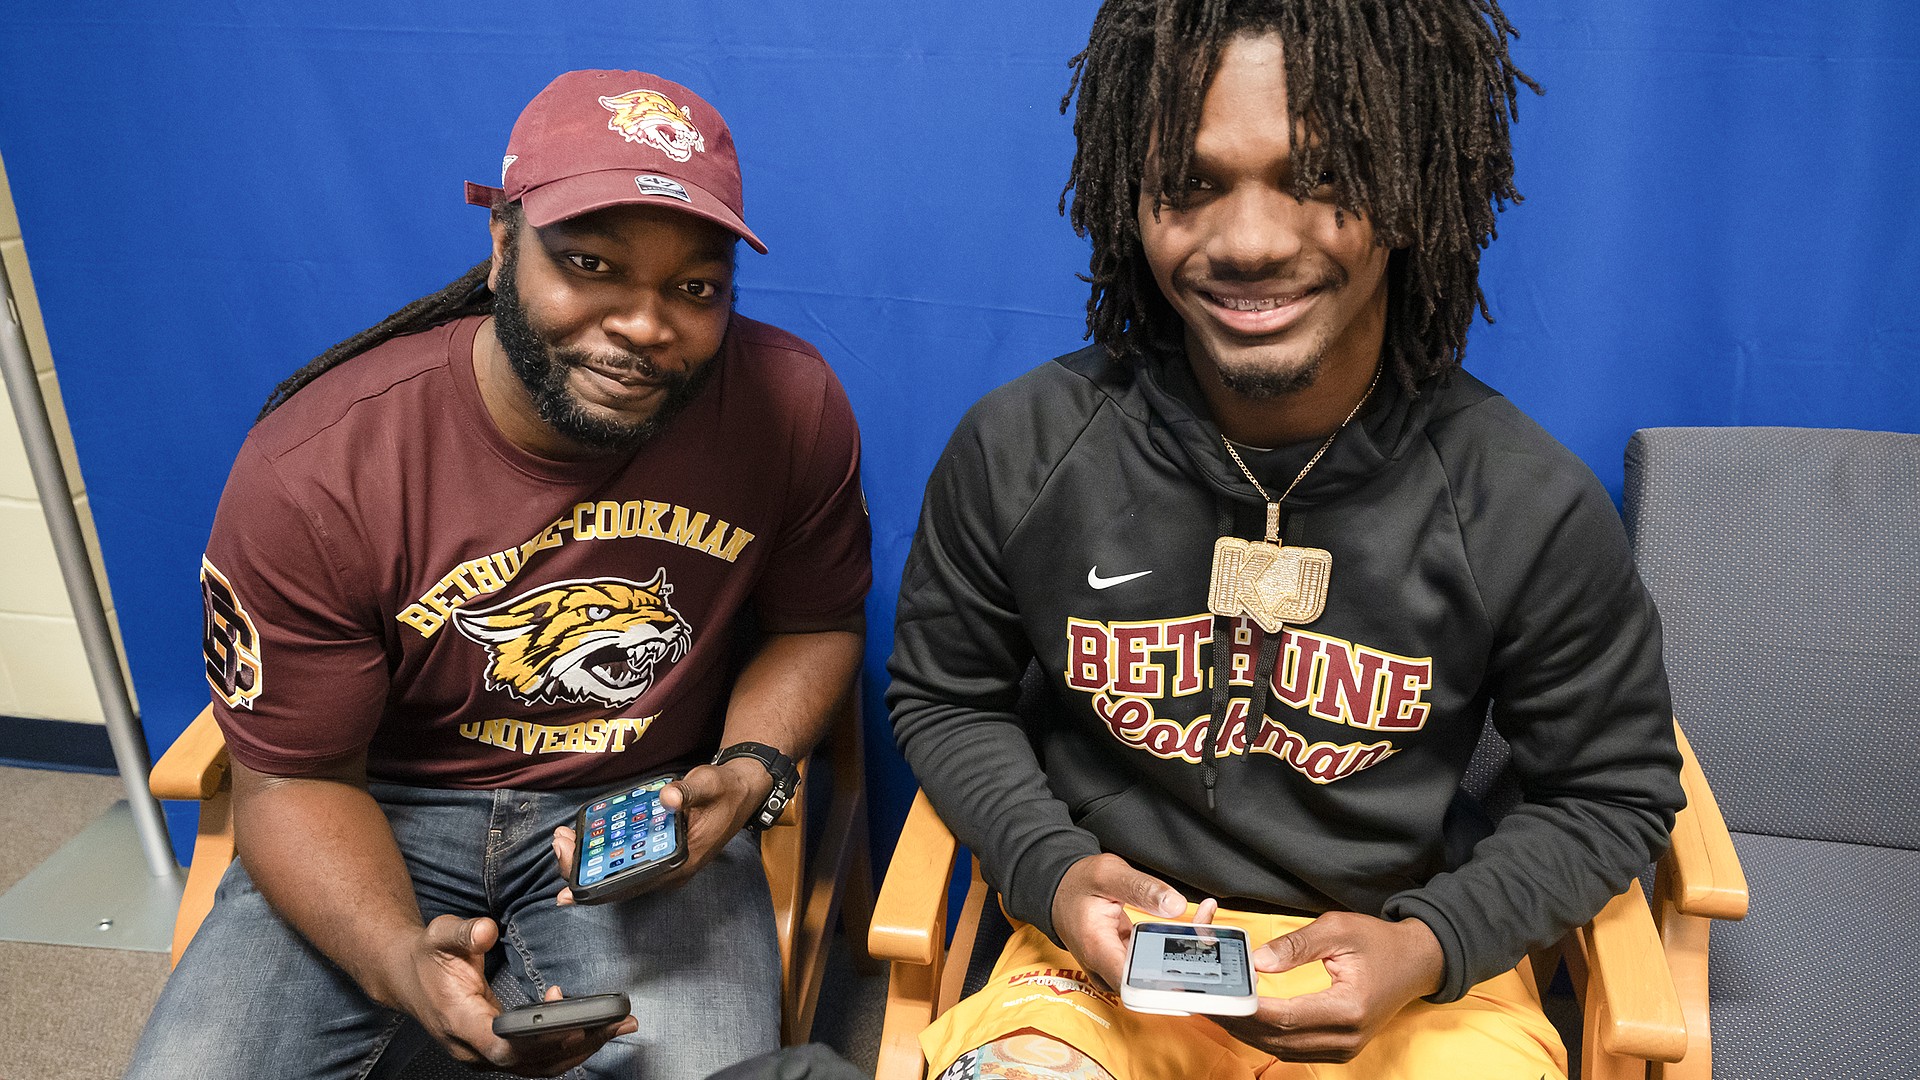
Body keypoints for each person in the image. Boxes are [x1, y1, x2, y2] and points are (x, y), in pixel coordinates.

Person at [887, 3, 1684, 1078]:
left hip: (1415, 989)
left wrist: (1431, 943)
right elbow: (946, 697)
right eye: (1191, 182)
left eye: (1317, 177)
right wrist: (1056, 872)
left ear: (1410, 188)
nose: (1251, 242)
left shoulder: (1523, 500)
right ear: (1130, 195)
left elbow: (1612, 791)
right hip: (1095, 982)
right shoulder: (1022, 450)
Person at [128, 69, 870, 1080]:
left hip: (636, 808)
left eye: (694, 287)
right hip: (374, 811)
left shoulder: (790, 406)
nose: (644, 323)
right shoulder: (315, 467)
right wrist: (398, 957)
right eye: (591, 265)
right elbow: (293, 780)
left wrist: (748, 773)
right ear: (502, 246)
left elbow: (815, 622)